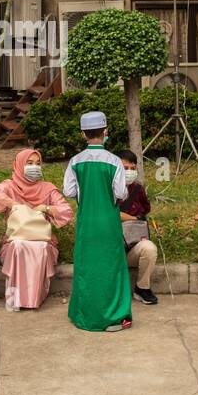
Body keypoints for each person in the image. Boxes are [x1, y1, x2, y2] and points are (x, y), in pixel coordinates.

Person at [63, 112, 132, 332]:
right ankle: (114, 315)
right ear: (105, 131)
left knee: (87, 267)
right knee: (111, 267)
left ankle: (85, 315)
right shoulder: (114, 161)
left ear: (83, 134)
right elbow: (121, 193)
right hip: (108, 223)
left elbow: (69, 190)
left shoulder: (75, 161)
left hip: (86, 222)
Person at [0, 148, 73, 311]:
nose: (35, 167)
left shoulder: (47, 188)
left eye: (38, 164)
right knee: (18, 246)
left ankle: (33, 298)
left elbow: (66, 211)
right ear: (18, 165)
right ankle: (16, 297)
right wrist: (12, 203)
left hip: (43, 240)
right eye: (29, 163)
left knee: (40, 247)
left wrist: (46, 207)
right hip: (15, 240)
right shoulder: (10, 186)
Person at [117, 151, 159, 306]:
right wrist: (133, 218)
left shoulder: (138, 189)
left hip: (132, 246)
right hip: (112, 249)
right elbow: (110, 213)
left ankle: (142, 288)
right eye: (124, 168)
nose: (129, 172)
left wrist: (130, 219)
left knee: (149, 248)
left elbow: (145, 210)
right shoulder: (106, 189)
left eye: (132, 168)